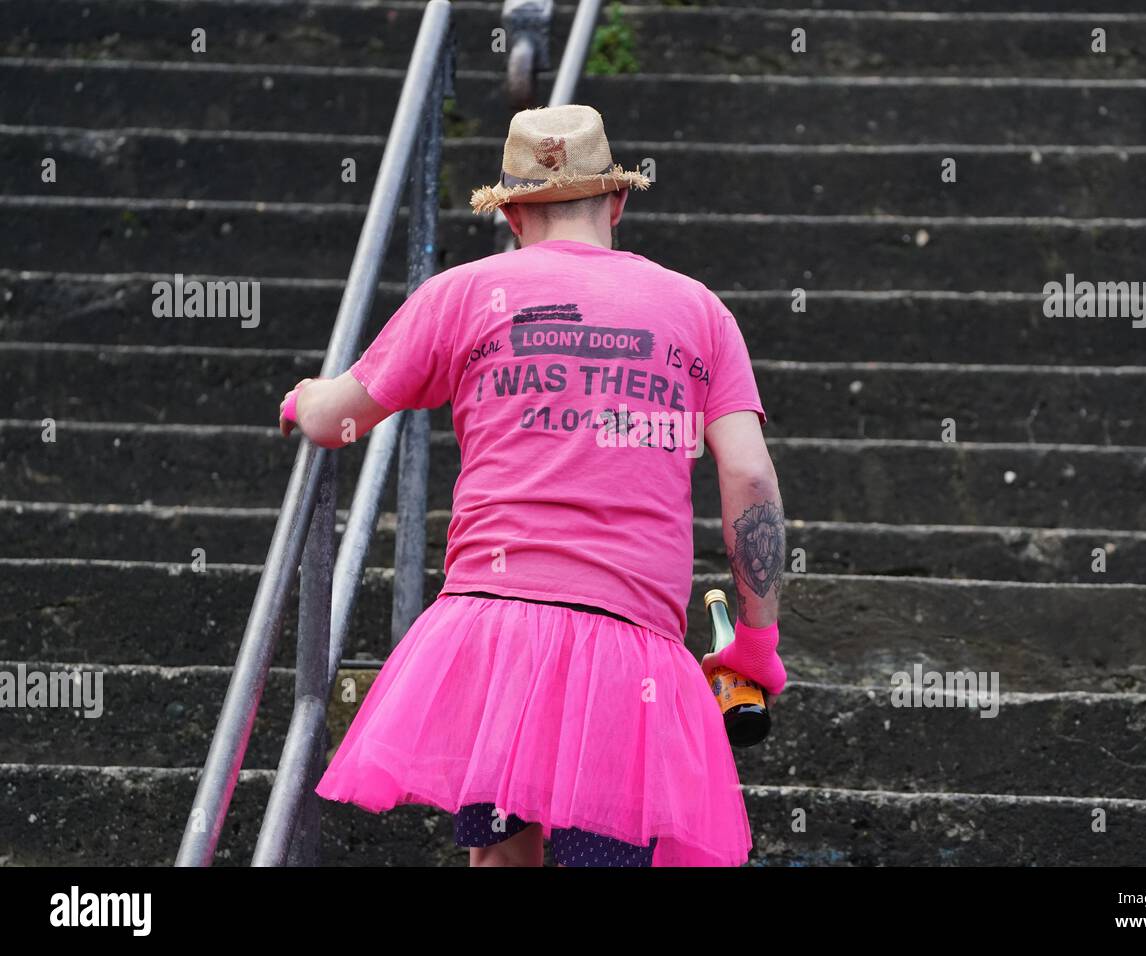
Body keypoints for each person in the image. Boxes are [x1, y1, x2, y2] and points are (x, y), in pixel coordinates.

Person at [278, 104, 787, 867]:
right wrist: (756, 643)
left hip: (492, 633)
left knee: (502, 862)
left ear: (513, 214)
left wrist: (302, 398)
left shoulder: (462, 294)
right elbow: (748, 473)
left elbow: (336, 419)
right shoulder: (698, 311)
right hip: (628, 651)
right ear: (616, 201)